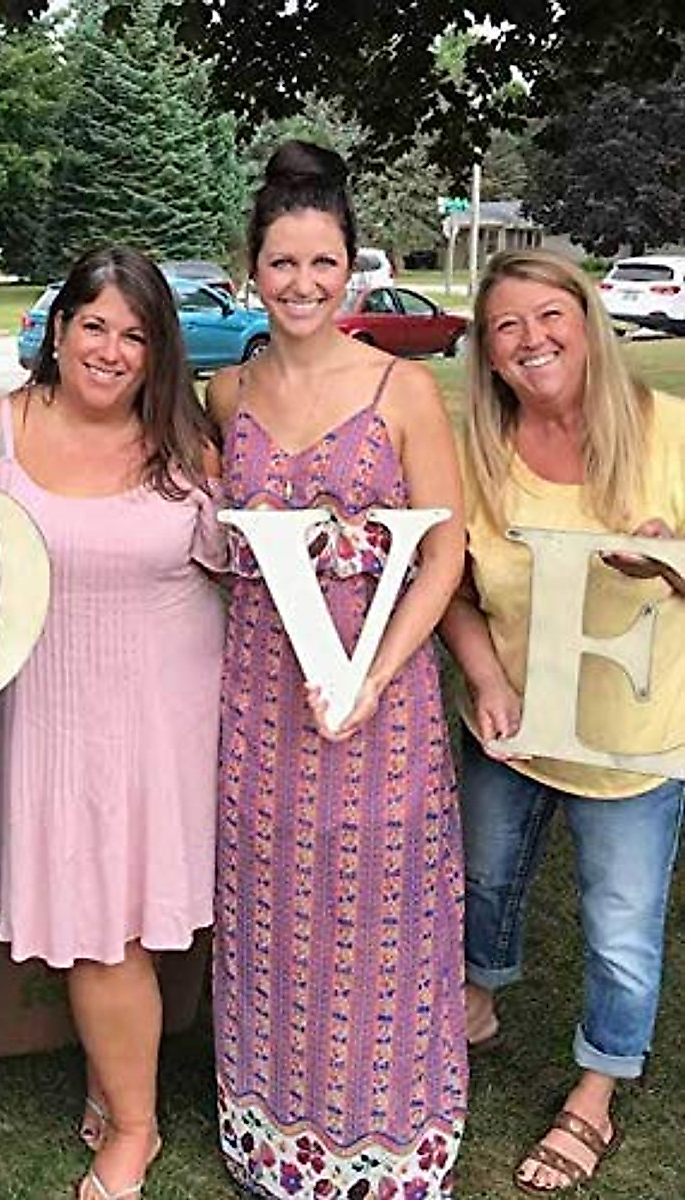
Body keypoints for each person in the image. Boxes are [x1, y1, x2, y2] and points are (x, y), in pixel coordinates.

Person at [207, 140, 468, 1198]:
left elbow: (444, 555)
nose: (303, 283)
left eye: (324, 263)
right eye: (283, 262)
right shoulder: (227, 394)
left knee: (383, 916)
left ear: (351, 267)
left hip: (383, 700)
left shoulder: (403, 390)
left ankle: (387, 1145)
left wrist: (373, 677)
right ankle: (274, 1137)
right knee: (271, 915)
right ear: (253, 269)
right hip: (261, 694)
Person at [0, 245, 227, 1200]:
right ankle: (123, 1095)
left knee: (119, 930)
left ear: (160, 351)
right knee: (92, 925)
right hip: (49, 716)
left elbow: (243, 567)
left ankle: (133, 1125)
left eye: (136, 335)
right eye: (95, 326)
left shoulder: (186, 445)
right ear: (59, 329)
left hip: (165, 719)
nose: (111, 351)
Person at [438, 248, 684, 1195]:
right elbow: (453, 590)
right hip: (512, 729)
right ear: (489, 354)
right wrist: (484, 678)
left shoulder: (672, 432)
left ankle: (598, 1087)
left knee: (621, 927)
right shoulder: (478, 453)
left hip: (632, 745)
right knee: (481, 879)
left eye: (550, 317)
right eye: (507, 327)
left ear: (587, 322)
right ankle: (477, 1002)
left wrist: (677, 562)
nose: (531, 340)